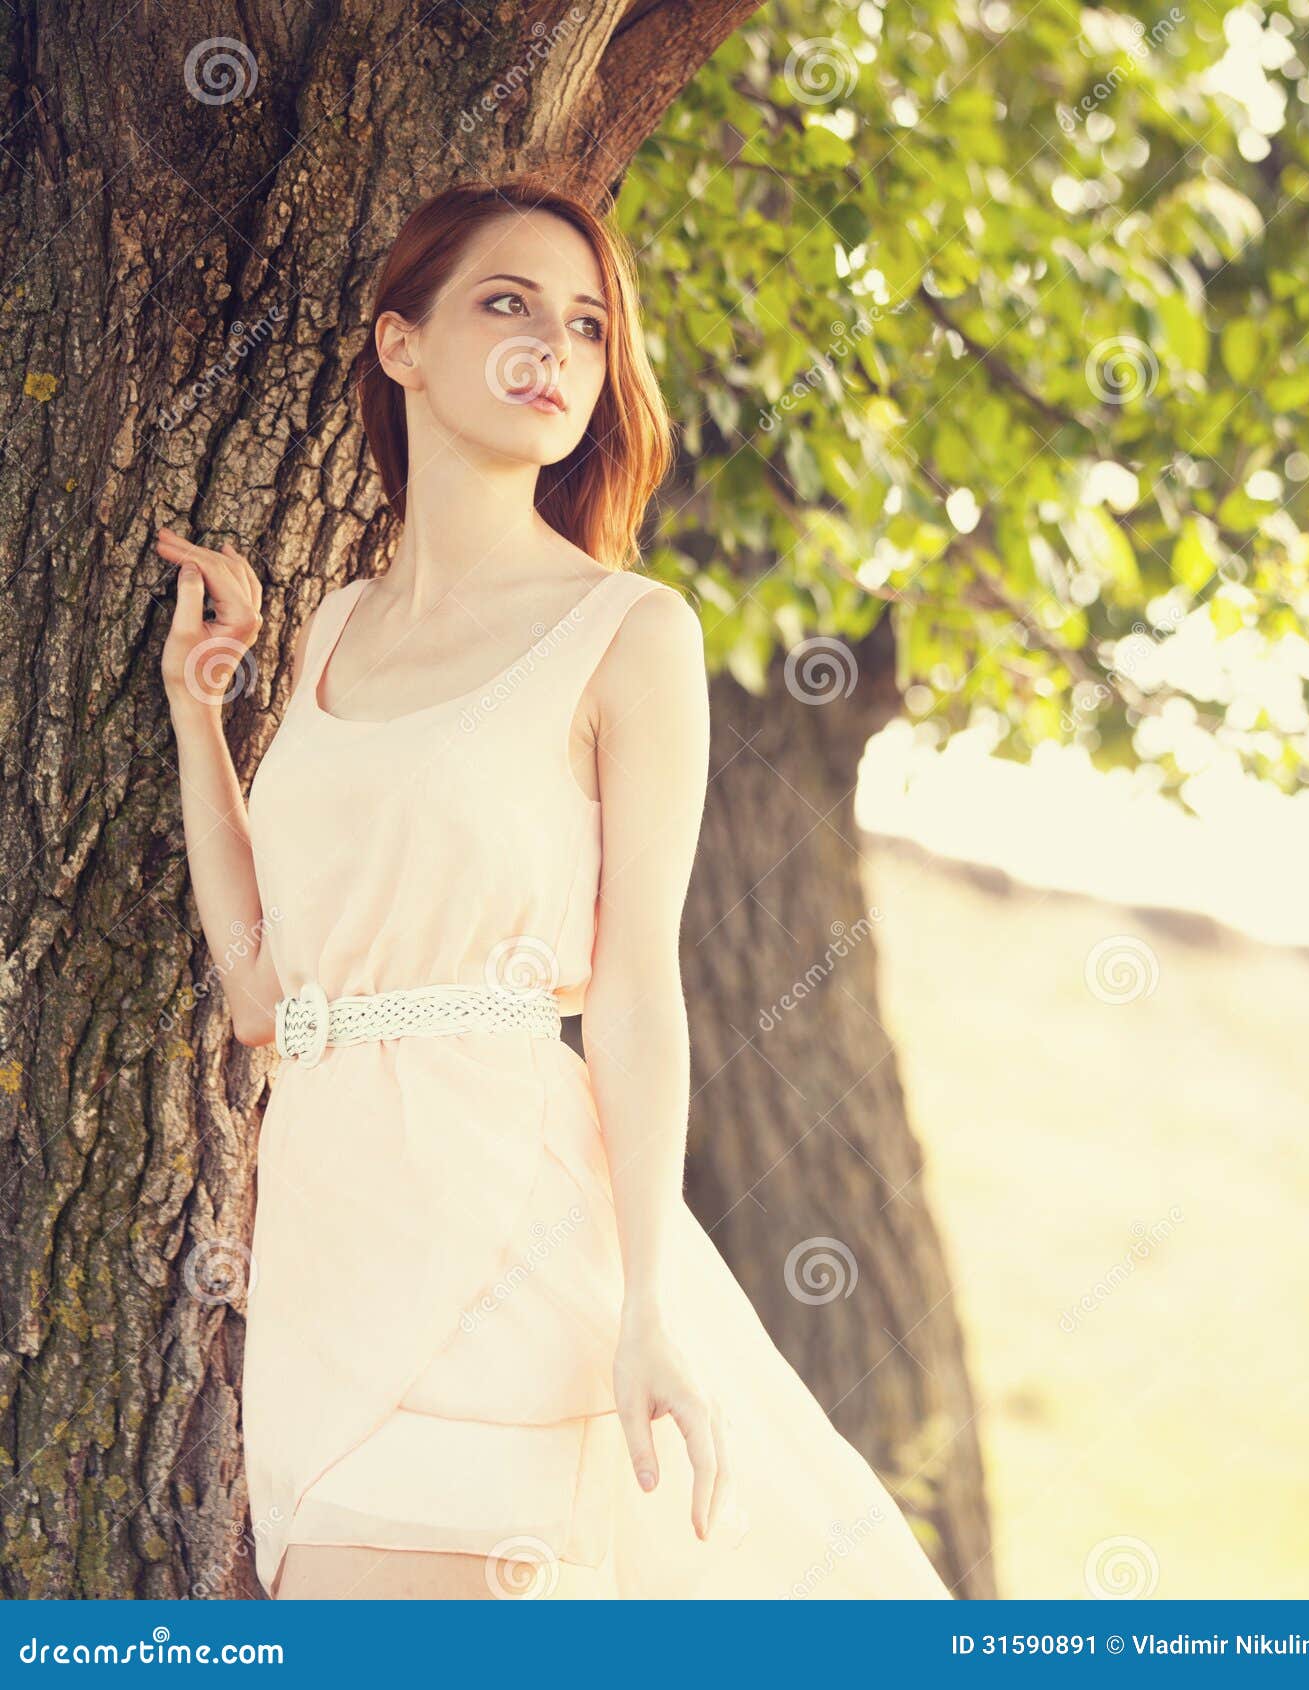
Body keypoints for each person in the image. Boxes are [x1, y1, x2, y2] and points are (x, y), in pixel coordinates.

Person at [159, 177, 951, 1601]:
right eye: (507, 304)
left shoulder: (628, 632)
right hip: (325, 1251)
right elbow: (265, 991)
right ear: (399, 343)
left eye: (586, 328)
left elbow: (640, 985)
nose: (554, 349)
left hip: (504, 1225)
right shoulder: (338, 621)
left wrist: (648, 1297)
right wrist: (195, 718)